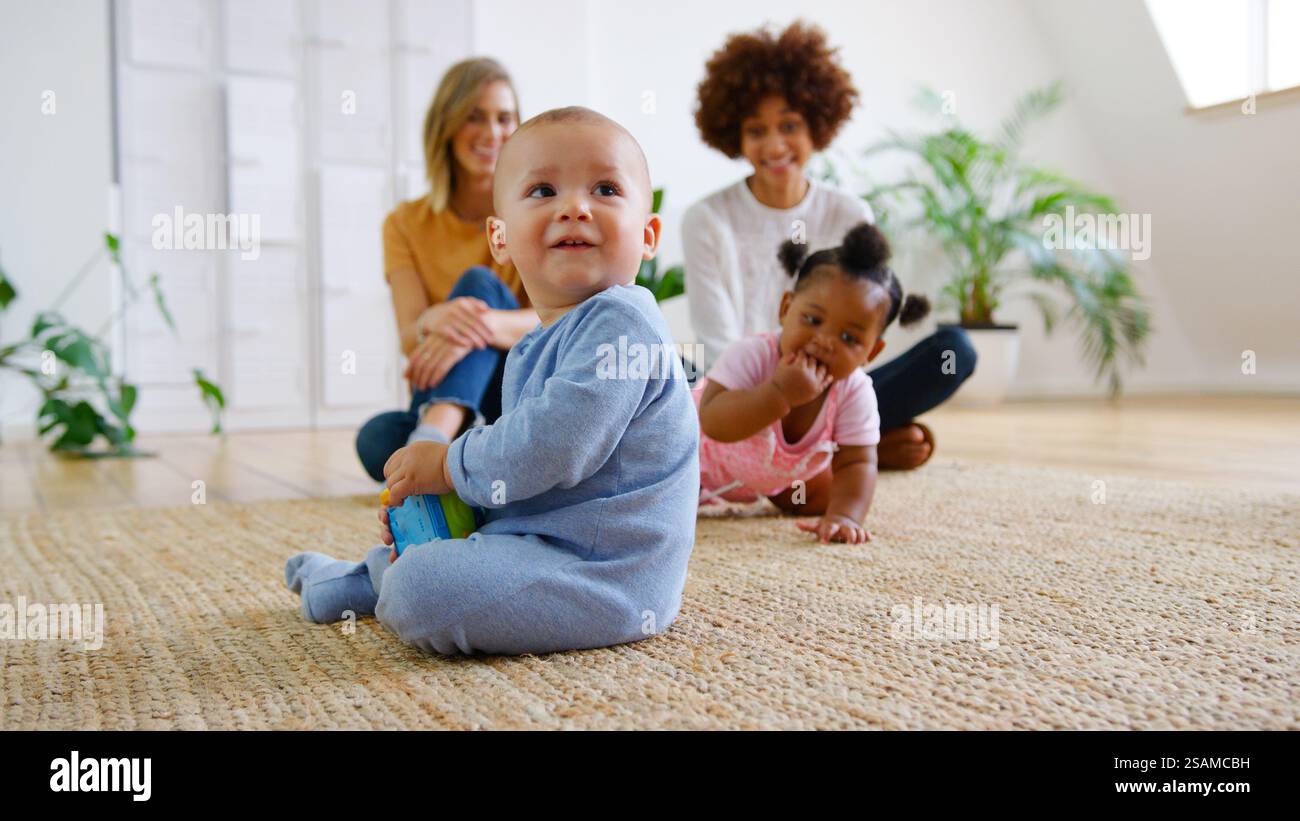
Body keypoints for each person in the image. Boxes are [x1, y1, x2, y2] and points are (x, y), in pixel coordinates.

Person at [286, 108, 699, 656]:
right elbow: (528, 481)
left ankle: (391, 579)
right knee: (439, 542)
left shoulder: (622, 321)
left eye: (604, 188)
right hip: (546, 541)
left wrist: (449, 465)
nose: (575, 207)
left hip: (609, 575)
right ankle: (379, 569)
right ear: (500, 238)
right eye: (544, 190)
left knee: (422, 590)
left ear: (647, 235)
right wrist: (442, 503)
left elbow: (554, 448)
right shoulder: (534, 343)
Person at [683, 21, 976, 471]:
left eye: (790, 125)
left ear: (817, 126)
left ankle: (836, 440)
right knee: (655, 366)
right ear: (734, 135)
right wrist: (778, 389)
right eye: (756, 130)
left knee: (953, 351)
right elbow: (718, 343)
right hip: (739, 395)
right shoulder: (707, 219)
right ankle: (856, 448)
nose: (775, 144)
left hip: (831, 386)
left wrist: (813, 388)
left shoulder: (849, 212)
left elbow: (862, 326)